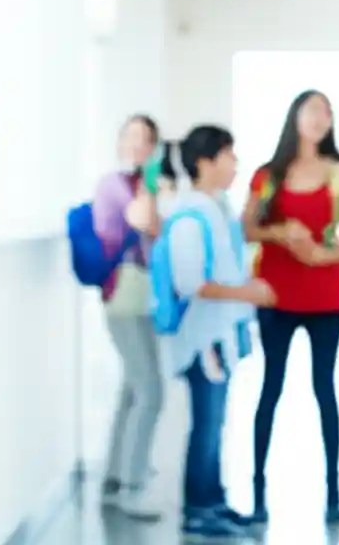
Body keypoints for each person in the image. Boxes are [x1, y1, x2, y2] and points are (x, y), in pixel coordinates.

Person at [243, 89, 339, 526]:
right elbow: (249, 229)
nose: (320, 118)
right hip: (275, 295)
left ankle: (333, 492)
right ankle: (257, 490)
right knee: (270, 387)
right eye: (313, 110)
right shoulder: (266, 175)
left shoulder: (337, 174)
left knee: (324, 390)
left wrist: (321, 255)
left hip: (325, 294)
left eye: (327, 112)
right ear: (294, 116)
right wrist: (282, 233)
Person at [160, 125, 278, 540]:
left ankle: (213, 501)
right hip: (201, 340)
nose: (235, 164)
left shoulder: (216, 208)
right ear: (206, 162)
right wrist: (250, 292)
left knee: (217, 422)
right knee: (207, 423)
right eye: (229, 155)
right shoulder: (190, 216)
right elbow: (192, 284)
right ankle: (198, 510)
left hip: (218, 338)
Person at [94, 114, 165, 519]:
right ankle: (133, 487)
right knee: (150, 390)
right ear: (121, 141)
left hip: (141, 296)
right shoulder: (114, 186)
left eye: (146, 140)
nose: (139, 145)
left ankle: (114, 477)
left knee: (131, 388)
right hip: (123, 296)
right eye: (133, 137)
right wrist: (153, 187)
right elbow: (146, 223)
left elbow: (154, 229)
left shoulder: (140, 185)